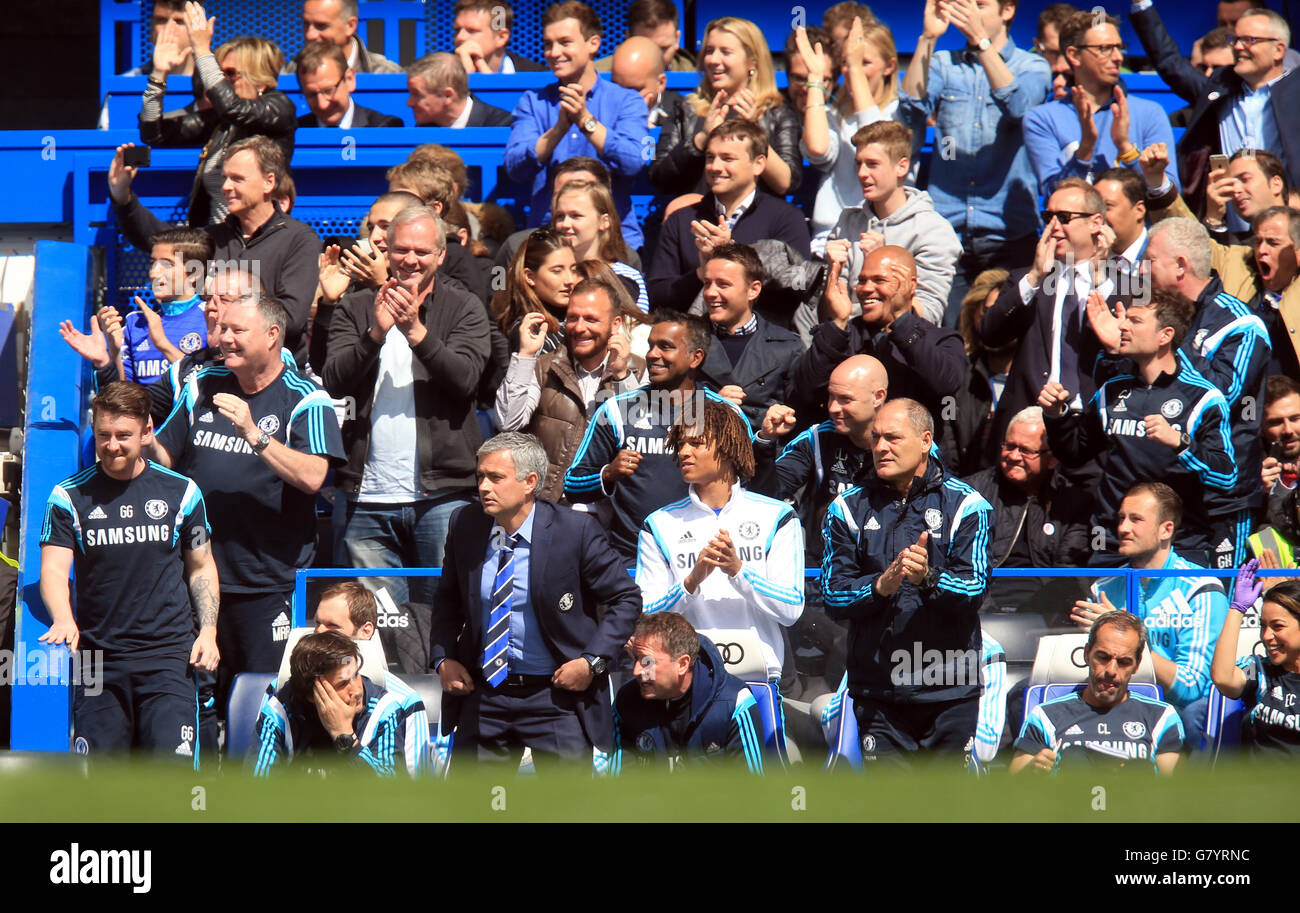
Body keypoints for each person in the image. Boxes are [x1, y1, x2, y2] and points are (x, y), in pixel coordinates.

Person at [321, 205, 491, 674]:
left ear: (440, 255)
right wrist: (376, 331)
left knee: (446, 615)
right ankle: (386, 720)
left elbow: (467, 381)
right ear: (385, 251)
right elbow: (333, 379)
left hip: (443, 496)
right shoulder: (356, 306)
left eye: (421, 251)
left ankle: (446, 721)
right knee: (374, 632)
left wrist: (416, 330)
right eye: (401, 250)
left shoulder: (462, 307)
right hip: (365, 499)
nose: (410, 260)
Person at [151, 295, 345, 702]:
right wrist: (140, 439)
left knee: (262, 701)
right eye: (222, 329)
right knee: (196, 698)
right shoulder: (203, 382)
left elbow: (314, 477)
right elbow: (165, 455)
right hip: (198, 577)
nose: (224, 339)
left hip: (267, 583)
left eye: (238, 331)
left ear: (273, 335)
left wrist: (253, 433)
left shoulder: (305, 397)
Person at [431, 433, 641, 767]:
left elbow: (625, 598)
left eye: (496, 478)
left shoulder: (576, 531)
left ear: (530, 482)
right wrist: (443, 658)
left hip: (556, 697)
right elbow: (447, 599)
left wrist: (592, 662)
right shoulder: (466, 524)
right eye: (481, 476)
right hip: (485, 694)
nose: (484, 487)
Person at [39, 382, 219, 760]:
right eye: (103, 435)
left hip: (169, 658)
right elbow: (54, 570)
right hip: (97, 661)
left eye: (123, 436)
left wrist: (209, 630)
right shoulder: (67, 496)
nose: (112, 445)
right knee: (101, 791)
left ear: (147, 431)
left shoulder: (183, 492)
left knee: (171, 781)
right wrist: (63, 618)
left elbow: (201, 568)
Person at [821, 398, 993, 764]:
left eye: (894, 438)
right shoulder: (847, 508)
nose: (881, 447)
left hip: (949, 689)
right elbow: (833, 594)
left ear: (925, 440)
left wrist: (927, 578)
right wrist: (879, 587)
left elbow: (974, 588)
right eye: (876, 438)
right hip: (878, 692)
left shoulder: (967, 505)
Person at [1109, 216, 1271, 566]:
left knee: (1216, 599)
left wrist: (1169, 340)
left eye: (1149, 261)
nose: (1141, 270)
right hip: (1160, 497)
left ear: (1180, 265)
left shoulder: (1240, 323)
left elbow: (1223, 396)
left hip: (1220, 500)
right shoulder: (1145, 315)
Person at [1040, 289, 1237, 562]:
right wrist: (1056, 414)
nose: (1121, 325)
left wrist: (1181, 444)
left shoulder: (1203, 398)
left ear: (1164, 336)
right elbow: (1074, 453)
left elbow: (1226, 477)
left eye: (1135, 320)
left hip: (1177, 549)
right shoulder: (1111, 391)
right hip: (1113, 545)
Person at [900, 0, 1052, 326]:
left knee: (1005, 340)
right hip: (947, 230)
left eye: (980, 4)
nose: (967, 13)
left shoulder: (1033, 66)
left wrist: (983, 42)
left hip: (1007, 232)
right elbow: (912, 109)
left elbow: (1019, 108)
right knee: (946, 340)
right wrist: (927, 38)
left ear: (1007, 11)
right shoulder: (944, 63)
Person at [108, 138, 323, 366]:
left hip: (271, 376)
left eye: (238, 179)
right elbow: (160, 240)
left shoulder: (299, 239)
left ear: (269, 182)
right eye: (224, 178)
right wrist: (122, 196)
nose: (226, 187)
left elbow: (290, 319)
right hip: (212, 371)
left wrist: (228, 316)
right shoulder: (213, 237)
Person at [635, 397, 804, 684]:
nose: (684, 452)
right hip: (685, 681)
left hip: (758, 679)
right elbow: (646, 616)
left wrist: (738, 571)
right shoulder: (658, 524)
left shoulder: (778, 516)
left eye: (696, 443)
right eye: (681, 444)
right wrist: (691, 581)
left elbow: (791, 609)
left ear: (727, 448)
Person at [565, 311, 748, 563]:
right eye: (651, 345)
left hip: (706, 558)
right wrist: (608, 474)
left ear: (695, 358)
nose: (652, 354)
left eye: (666, 347)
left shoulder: (724, 414)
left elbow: (753, 484)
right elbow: (572, 485)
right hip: (633, 561)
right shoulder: (616, 409)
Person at [1074, 483, 1229, 749]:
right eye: (1121, 518)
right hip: (1112, 703)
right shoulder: (1103, 588)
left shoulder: (1201, 588)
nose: (1122, 528)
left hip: (1176, 713)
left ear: (1166, 530)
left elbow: (1189, 688)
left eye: (1136, 520)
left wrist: (1122, 632)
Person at [979, 177, 1123, 453]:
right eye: (1048, 216)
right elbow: (990, 334)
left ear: (1096, 223)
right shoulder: (1029, 278)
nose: (1053, 226)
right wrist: (1035, 276)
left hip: (1091, 427)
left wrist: (1100, 280)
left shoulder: (1126, 282)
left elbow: (1125, 345)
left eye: (1064, 217)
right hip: (1029, 422)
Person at [1140, 144, 1300, 380]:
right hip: (1249, 401)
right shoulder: (1237, 258)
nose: (1236, 190)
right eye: (1259, 242)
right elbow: (1186, 235)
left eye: (1244, 179)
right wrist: (1158, 182)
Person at [790, 245, 968, 450]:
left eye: (879, 280)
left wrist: (901, 320)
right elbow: (806, 389)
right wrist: (837, 323)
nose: (866, 289)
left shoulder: (941, 339)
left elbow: (946, 382)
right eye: (862, 280)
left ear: (910, 286)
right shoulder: (844, 336)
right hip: (843, 463)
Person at [504, 1, 649, 251]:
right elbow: (515, 167)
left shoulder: (627, 100)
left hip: (613, 240)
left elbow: (635, 160)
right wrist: (559, 129)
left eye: (564, 42)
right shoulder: (533, 102)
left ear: (593, 43)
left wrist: (585, 120)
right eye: (548, 44)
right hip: (551, 241)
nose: (553, 52)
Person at [139, 8, 296, 228]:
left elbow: (234, 108)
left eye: (230, 74)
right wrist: (158, 75)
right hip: (217, 244)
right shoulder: (222, 122)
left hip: (259, 241)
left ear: (259, 80)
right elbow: (153, 133)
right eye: (219, 74)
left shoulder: (279, 107)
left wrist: (202, 51)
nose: (219, 83)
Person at [1130, 2, 1300, 201]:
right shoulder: (1220, 87)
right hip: (1232, 220)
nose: (1238, 47)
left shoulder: (1296, 92)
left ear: (1278, 50)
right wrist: (1141, 5)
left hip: (1287, 220)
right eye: (1235, 39)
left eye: (1249, 40)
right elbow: (1170, 62)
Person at [495, 277, 643, 503]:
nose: (580, 328)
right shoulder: (543, 367)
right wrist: (525, 356)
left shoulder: (638, 371)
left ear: (615, 324)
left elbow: (640, 437)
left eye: (591, 319)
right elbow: (508, 422)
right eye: (573, 318)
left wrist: (623, 377)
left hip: (609, 512)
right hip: (549, 509)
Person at [648, 120, 811, 314]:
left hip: (763, 339)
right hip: (696, 337)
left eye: (727, 158)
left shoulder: (786, 218)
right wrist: (701, 274)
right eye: (710, 157)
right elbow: (656, 295)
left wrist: (732, 255)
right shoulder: (682, 220)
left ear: (758, 164)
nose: (715, 166)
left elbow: (800, 287)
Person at [1022, 10, 1178, 197]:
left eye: (1119, 47)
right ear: (1074, 55)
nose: (1118, 57)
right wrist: (1085, 149)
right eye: (1105, 48)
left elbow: (1171, 194)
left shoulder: (1149, 112)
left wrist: (1127, 150)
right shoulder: (1042, 118)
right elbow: (1053, 195)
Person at [823, 120, 961, 326]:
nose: (861, 173)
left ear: (902, 167)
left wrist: (883, 263)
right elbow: (830, 313)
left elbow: (928, 315)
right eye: (858, 163)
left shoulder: (934, 231)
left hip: (902, 349)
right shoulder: (847, 223)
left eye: (872, 164)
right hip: (848, 344)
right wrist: (831, 275)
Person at [1011, 611, 1183, 774]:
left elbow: (1176, 792)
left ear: (1137, 665)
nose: (1111, 670)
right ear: (1087, 654)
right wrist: (1032, 770)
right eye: (1103, 657)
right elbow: (1011, 790)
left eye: (1123, 662)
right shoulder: (1046, 716)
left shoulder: (1161, 717)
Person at [649, 17, 801, 199]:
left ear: (752, 62)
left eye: (725, 52)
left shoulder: (776, 111)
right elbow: (659, 177)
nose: (713, 60)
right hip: (696, 218)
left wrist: (755, 132)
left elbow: (786, 183)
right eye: (709, 51)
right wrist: (701, 139)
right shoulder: (687, 108)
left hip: (756, 221)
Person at [752, 355, 887, 559]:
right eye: (831, 396)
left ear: (878, 397)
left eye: (845, 399)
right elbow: (764, 498)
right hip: (822, 571)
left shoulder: (912, 444)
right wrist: (766, 440)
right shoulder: (817, 438)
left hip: (887, 574)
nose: (832, 408)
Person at [963, 406, 1090, 616]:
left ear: (1052, 459)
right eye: (1009, 446)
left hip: (1045, 612)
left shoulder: (1071, 502)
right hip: (981, 609)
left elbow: (1068, 574)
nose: (1013, 456)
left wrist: (1033, 619)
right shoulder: (971, 493)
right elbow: (963, 566)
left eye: (1026, 450)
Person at [250, 631, 427, 775]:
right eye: (343, 684)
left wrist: (345, 737)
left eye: (355, 674)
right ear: (314, 693)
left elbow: (391, 793)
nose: (357, 690)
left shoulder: (384, 710)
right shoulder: (279, 711)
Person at [795, 18, 901, 255]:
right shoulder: (835, 114)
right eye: (846, 62)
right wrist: (815, 79)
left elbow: (879, 143)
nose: (851, 69)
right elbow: (818, 150)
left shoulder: (901, 111)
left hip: (882, 241)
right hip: (830, 239)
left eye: (864, 62)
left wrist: (854, 71)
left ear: (889, 66)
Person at [613, 612, 767, 772]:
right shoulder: (626, 700)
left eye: (647, 662)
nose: (637, 671)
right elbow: (619, 786)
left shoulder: (733, 703)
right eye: (636, 659)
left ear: (682, 664)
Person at [61, 228, 211, 389]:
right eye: (153, 263)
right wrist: (109, 355)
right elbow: (124, 399)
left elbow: (209, 391)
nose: (154, 274)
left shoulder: (212, 319)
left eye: (167, 265)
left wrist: (161, 342)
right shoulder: (136, 324)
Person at [691, 242, 803, 436]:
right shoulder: (686, 339)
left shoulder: (788, 347)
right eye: (707, 283)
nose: (709, 293)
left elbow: (801, 416)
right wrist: (709, 403)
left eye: (723, 284)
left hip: (764, 458)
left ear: (753, 290)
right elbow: (663, 404)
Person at [1213, 562, 1300, 758]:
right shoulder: (1260, 670)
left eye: (1277, 626)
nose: (1267, 636)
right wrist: (1237, 608)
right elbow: (1223, 678)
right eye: (1263, 626)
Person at [552, 179, 648, 312]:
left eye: (576, 216)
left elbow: (637, 329)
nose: (565, 224)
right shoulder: (547, 274)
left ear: (603, 221)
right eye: (560, 216)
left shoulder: (628, 277)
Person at [295, 41, 401, 127]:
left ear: (349, 79)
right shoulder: (294, 133)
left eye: (328, 91)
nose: (322, 105)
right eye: (311, 94)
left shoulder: (382, 128)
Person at [284, 0, 403, 74]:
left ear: (350, 26)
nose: (309, 35)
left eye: (321, 26)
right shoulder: (289, 73)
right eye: (306, 24)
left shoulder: (385, 73)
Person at [1201, 148, 1290, 243]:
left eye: (1245, 179)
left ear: (1275, 184)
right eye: (1231, 185)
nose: (1235, 190)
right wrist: (1214, 217)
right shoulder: (1241, 250)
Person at [405, 52, 513, 127]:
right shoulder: (423, 129)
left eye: (417, 94)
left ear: (448, 95)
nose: (409, 103)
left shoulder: (502, 125)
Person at [452, 0, 545, 74]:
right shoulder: (439, 72)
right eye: (457, 30)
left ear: (501, 37)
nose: (460, 37)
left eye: (471, 30)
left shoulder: (535, 76)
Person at [609, 36, 683, 128]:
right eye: (617, 88)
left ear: (660, 83)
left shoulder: (683, 115)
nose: (624, 98)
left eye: (635, 90)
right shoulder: (601, 113)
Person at [1094, 167, 1149, 286]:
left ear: (1139, 210)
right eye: (1094, 208)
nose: (1097, 217)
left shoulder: (1158, 257)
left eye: (1107, 207)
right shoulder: (1086, 256)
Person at [1034, 3, 1077, 101]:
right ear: (1038, 47)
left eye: (1070, 53)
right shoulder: (1022, 77)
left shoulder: (1108, 82)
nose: (1062, 65)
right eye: (1054, 53)